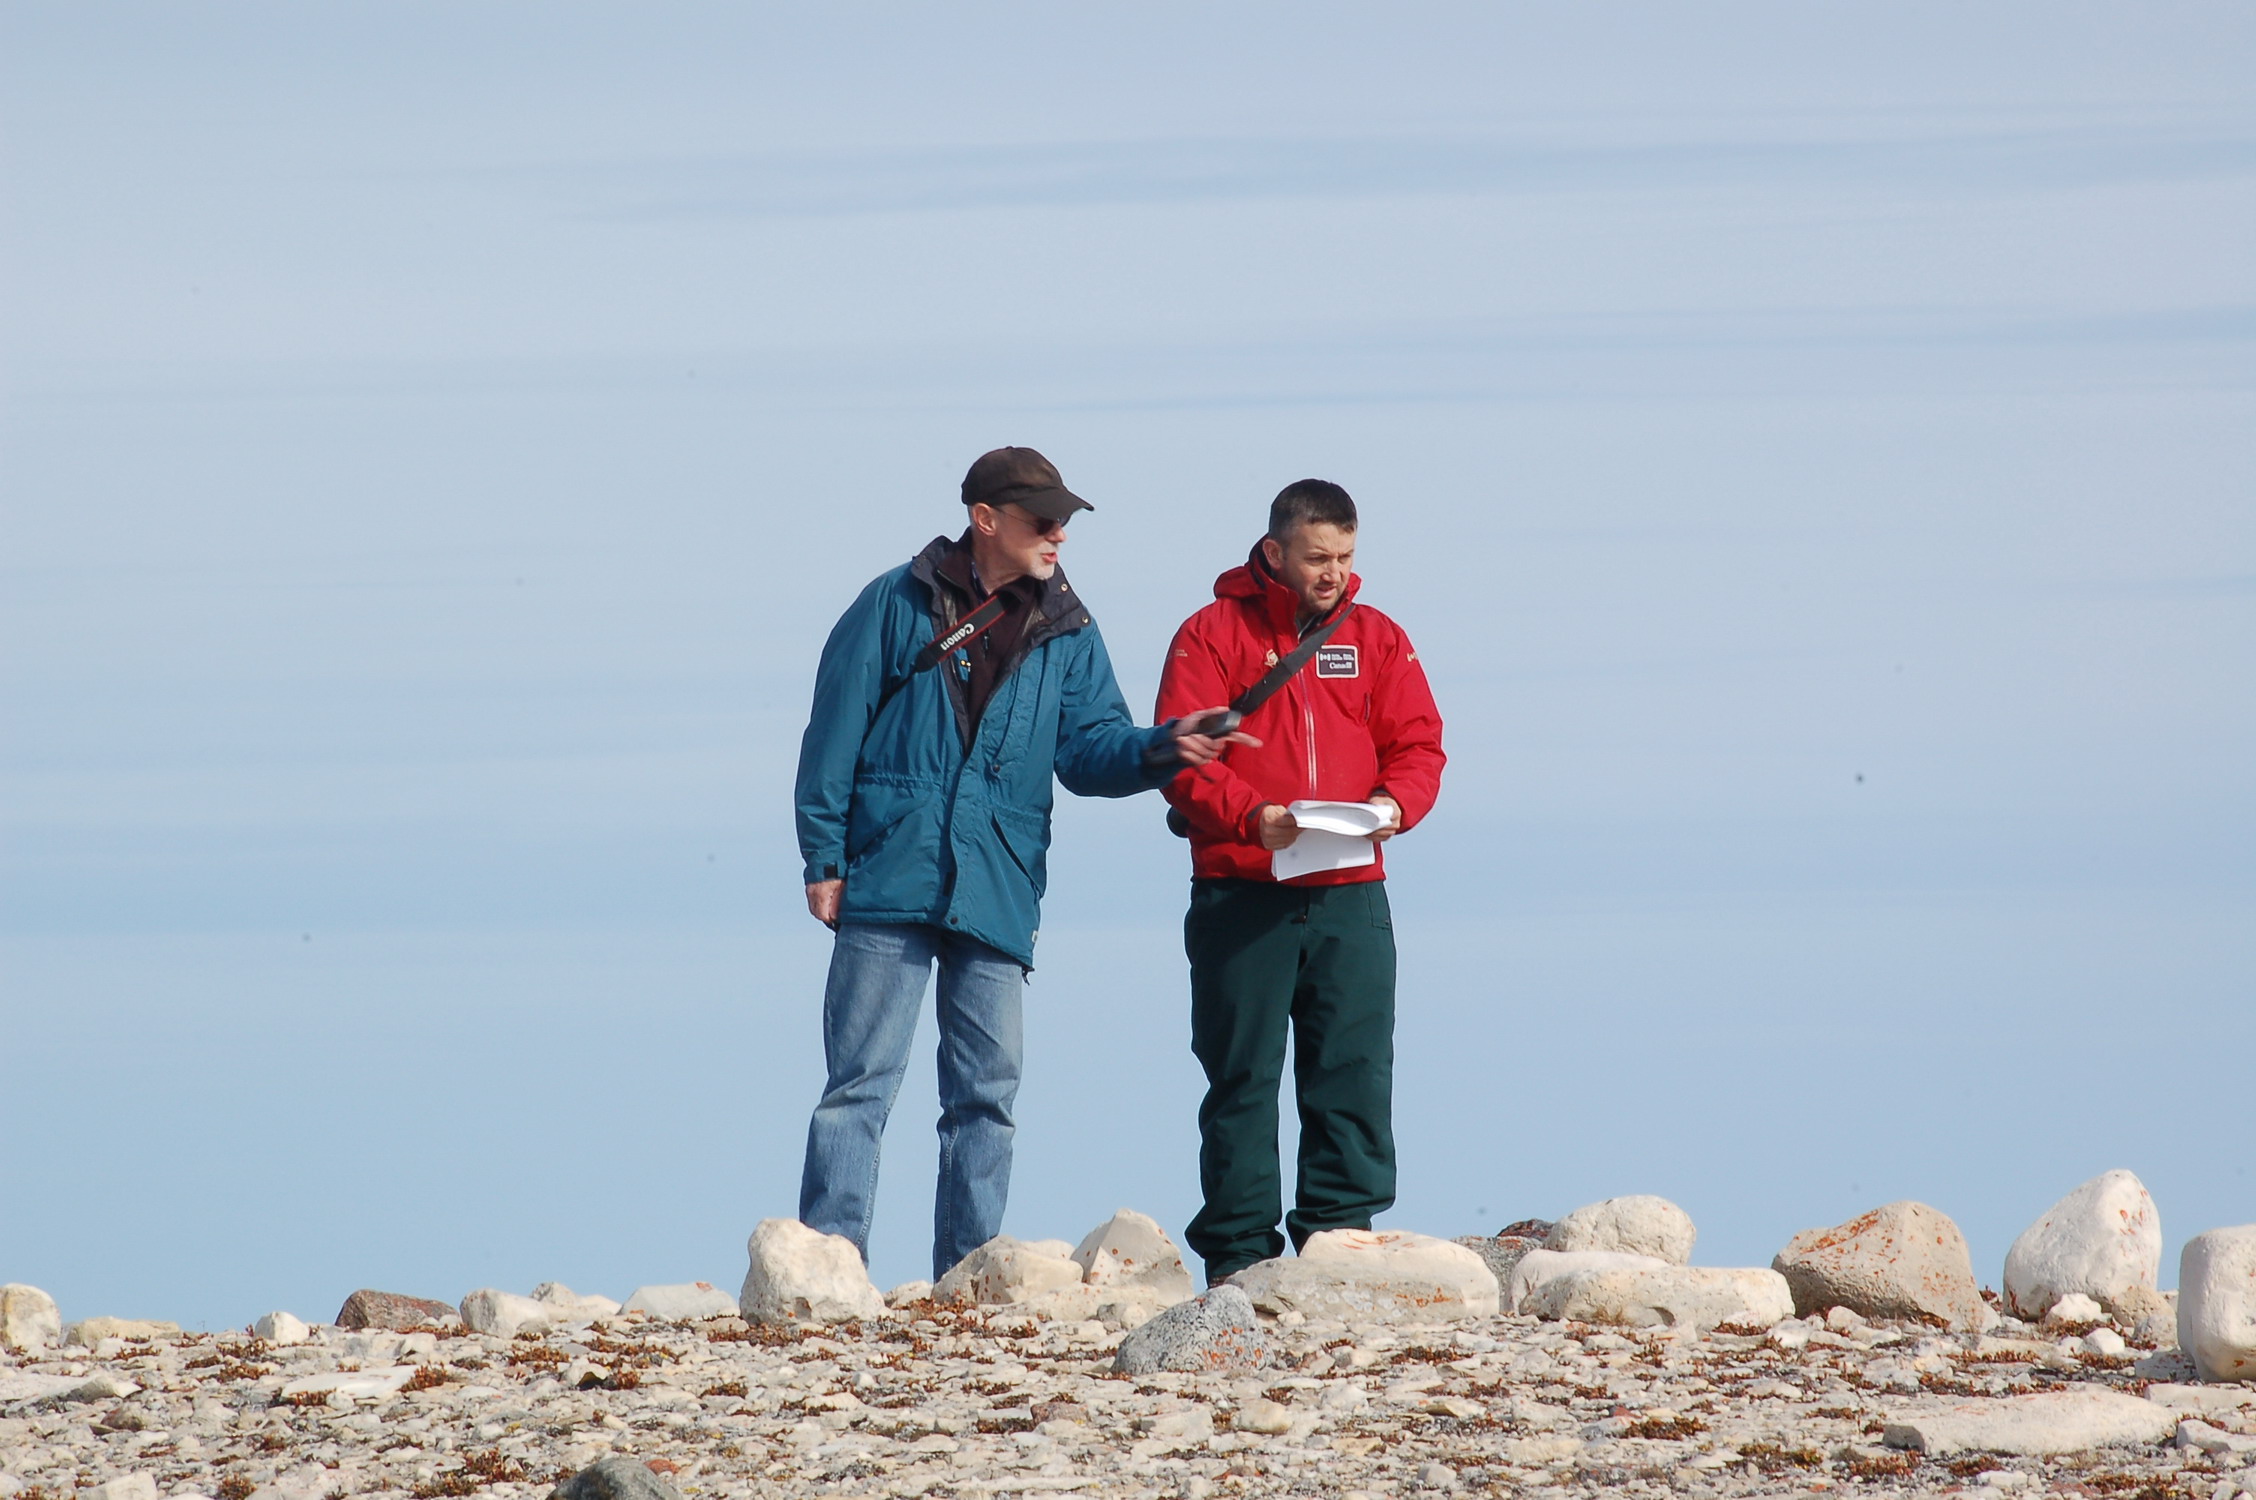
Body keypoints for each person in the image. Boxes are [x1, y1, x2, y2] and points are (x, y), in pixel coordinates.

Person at [794, 446, 1252, 1281]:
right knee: (859, 1085)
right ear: (986, 520)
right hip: (888, 874)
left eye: (1065, 522)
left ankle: (967, 1279)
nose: (1059, 537)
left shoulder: (1070, 628)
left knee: (986, 1100)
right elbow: (831, 736)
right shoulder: (891, 604)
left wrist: (1164, 747)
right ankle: (829, 1271)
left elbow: (1089, 752)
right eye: (1044, 521)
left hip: (999, 882)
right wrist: (823, 859)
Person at [1154, 478, 1446, 1284]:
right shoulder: (1209, 635)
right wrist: (1255, 819)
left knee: (1353, 1067)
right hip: (1240, 889)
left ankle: (1339, 1243)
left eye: (1347, 557)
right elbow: (1185, 761)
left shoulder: (1378, 637)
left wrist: (1395, 805)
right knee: (1241, 1075)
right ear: (1276, 552)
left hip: (1352, 889)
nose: (1335, 573)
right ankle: (1241, 1260)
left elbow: (1421, 745)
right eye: (1319, 557)